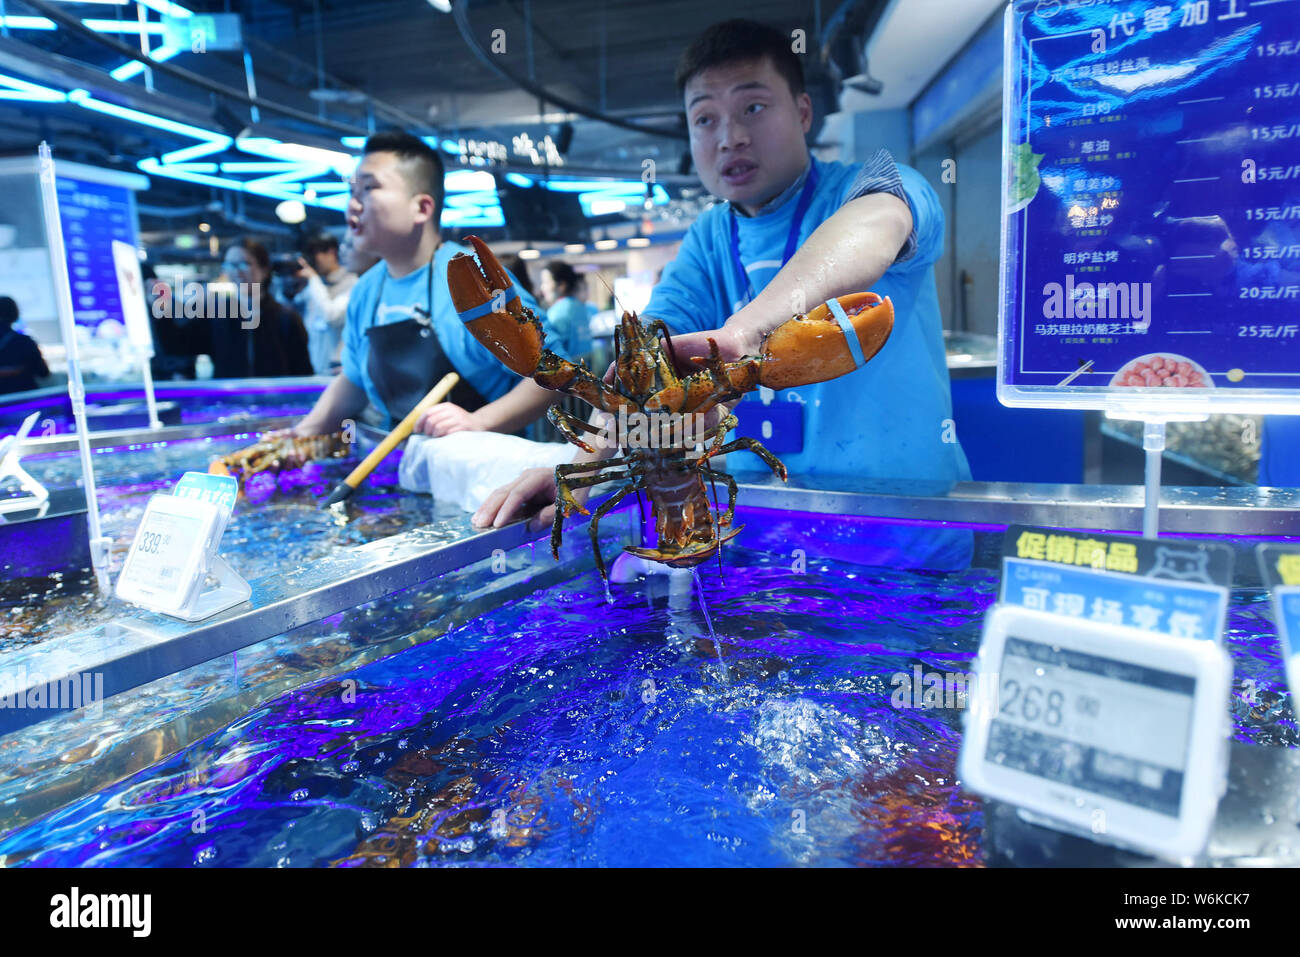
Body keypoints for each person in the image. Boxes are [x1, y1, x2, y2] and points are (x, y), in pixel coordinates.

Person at [473, 18, 970, 529]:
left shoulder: (876, 186)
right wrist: (581, 472)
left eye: (753, 108)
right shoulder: (709, 237)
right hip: (766, 546)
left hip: (909, 538)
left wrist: (744, 333)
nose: (730, 137)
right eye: (705, 119)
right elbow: (647, 355)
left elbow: (879, 221)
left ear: (803, 112)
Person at [290, 131, 555, 441]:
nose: (352, 205)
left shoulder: (472, 278)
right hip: (405, 470)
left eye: (368, 188)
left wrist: (479, 422)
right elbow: (354, 381)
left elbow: (552, 370)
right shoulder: (365, 290)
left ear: (422, 208)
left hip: (486, 475)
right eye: (351, 190)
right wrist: (298, 436)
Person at [213, 238, 313, 379]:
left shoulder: (286, 318)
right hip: (230, 399)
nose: (236, 272)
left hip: (276, 399)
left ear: (264, 270)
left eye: (243, 264)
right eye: (229, 265)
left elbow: (303, 372)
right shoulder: (217, 316)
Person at [293, 232, 358, 376]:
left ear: (332, 252)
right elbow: (292, 307)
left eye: (314, 254)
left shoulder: (352, 282)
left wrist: (313, 280)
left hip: (339, 370)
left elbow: (331, 316)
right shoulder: (314, 284)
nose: (312, 262)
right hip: (314, 370)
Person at [538, 260, 592, 360]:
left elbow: (549, 348)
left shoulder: (557, 312)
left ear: (561, 285)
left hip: (569, 371)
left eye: (545, 282)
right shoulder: (580, 307)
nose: (542, 288)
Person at [0, 296, 49, 395]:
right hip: (25, 400)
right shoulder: (25, 341)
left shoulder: (25, 341)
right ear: (15, 314)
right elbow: (44, 373)